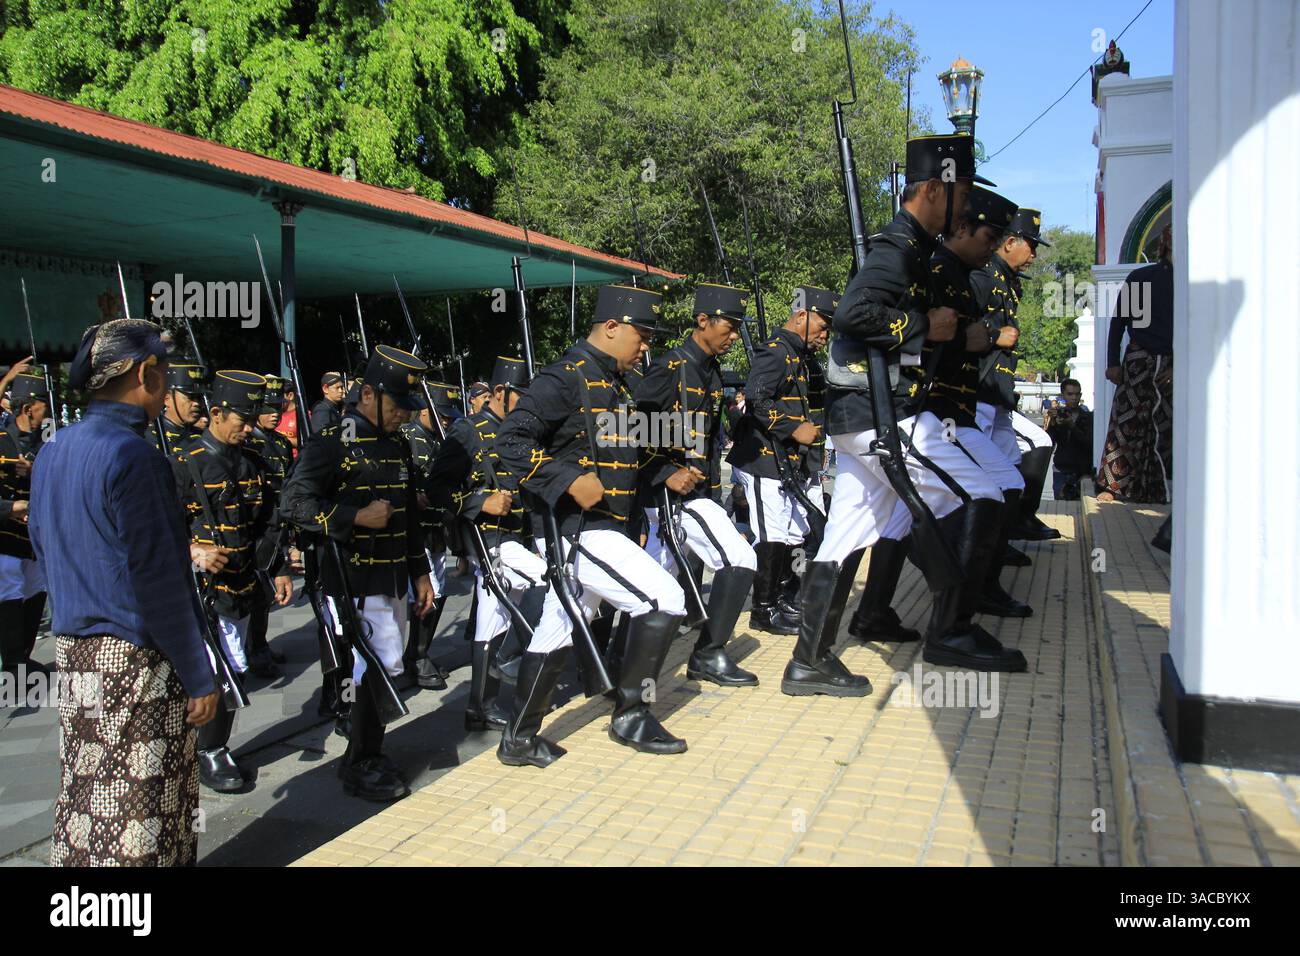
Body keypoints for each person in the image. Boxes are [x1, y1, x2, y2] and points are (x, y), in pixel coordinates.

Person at [803, 132, 1024, 695]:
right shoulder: (898, 246)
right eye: (963, 190)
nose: (968, 203)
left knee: (849, 534)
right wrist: (927, 327)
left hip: (867, 418)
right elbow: (856, 314)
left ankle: (808, 660)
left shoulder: (913, 248)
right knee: (982, 493)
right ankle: (952, 630)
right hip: (881, 418)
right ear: (934, 188)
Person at [29, 318, 217, 866]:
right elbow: (159, 580)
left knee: (86, 795)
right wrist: (197, 672)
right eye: (163, 370)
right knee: (144, 807)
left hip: (74, 653)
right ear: (145, 373)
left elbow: (43, 545)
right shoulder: (137, 458)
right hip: (136, 658)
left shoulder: (54, 450)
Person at [496, 285, 689, 765]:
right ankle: (632, 716)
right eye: (641, 334)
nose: (646, 345)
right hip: (577, 528)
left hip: (605, 526)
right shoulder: (564, 377)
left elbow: (630, 455)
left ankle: (518, 738)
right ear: (611, 327)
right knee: (665, 599)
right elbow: (510, 442)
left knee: (561, 626)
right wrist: (566, 478)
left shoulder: (616, 383)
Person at [280, 345, 436, 801]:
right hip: (350, 576)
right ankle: (361, 760)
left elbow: (406, 515)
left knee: (385, 661)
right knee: (381, 661)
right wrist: (352, 517)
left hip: (391, 577)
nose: (404, 417)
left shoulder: (399, 444)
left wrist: (420, 571)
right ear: (368, 394)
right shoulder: (330, 441)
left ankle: (366, 751)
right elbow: (294, 503)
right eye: (397, 406)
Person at [172, 371, 294, 791]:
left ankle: (209, 743)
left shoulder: (253, 464)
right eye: (242, 418)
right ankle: (208, 750)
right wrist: (192, 551)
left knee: (234, 668)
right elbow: (156, 526)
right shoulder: (182, 462)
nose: (248, 426)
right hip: (199, 592)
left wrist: (275, 568)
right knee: (214, 671)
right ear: (217, 412)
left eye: (252, 418)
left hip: (243, 586)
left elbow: (268, 522)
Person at [636, 283, 760, 687]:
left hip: (697, 494)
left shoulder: (710, 370)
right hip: (670, 497)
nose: (734, 335)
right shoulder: (670, 367)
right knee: (739, 559)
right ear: (703, 321)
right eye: (730, 325)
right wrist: (663, 472)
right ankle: (706, 656)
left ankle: (622, 668)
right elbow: (623, 430)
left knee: (651, 591)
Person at [431, 357, 547, 729]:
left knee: (491, 620)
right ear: (500, 392)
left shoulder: (524, 429)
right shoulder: (468, 430)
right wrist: (479, 503)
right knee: (544, 581)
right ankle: (509, 660)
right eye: (523, 394)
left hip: (520, 535)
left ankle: (479, 705)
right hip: (491, 540)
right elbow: (437, 486)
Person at [727, 286, 835, 636]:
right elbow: (757, 401)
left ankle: (783, 599)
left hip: (788, 463)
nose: (825, 334)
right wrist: (794, 429)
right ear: (802, 316)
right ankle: (762, 608)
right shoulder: (776, 353)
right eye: (822, 324)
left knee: (794, 533)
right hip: (762, 459)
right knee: (771, 534)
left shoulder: (801, 356)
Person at [970, 209, 1061, 546]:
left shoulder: (1007, 283)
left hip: (999, 395)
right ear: (1009, 242)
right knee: (984, 475)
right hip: (980, 390)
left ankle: (1002, 539)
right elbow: (959, 327)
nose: (1034, 255)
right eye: (1031, 246)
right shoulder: (983, 277)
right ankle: (980, 549)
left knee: (1013, 468)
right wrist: (995, 335)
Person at [1097, 225, 1174, 504]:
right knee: (1125, 424)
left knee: (1165, 427)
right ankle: (1113, 487)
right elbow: (1118, 323)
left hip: (1172, 365)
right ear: (1166, 244)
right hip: (1138, 362)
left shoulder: (1190, 282)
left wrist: (1179, 366)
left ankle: (1159, 490)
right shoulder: (1142, 277)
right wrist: (1112, 362)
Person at [398, 382, 460, 691]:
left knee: (438, 589)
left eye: (449, 417)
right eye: (441, 415)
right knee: (424, 594)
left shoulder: (438, 439)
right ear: (424, 411)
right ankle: (416, 658)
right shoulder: (410, 437)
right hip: (416, 529)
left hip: (436, 528)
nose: (446, 421)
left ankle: (418, 654)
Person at [244, 375, 297, 677]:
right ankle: (252, 650)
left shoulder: (278, 442)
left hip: (276, 527)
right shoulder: (249, 442)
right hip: (255, 527)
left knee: (265, 595)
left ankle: (259, 644)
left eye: (277, 405)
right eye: (267, 406)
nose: (274, 412)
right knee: (255, 593)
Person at [0, 373, 51, 679]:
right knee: (9, 587)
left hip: (33, 539)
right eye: (43, 404)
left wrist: (36, 472)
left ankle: (23, 657)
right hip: (4, 537)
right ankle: (13, 664)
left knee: (37, 588)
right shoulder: (2, 442)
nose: (47, 411)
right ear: (29, 408)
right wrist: (11, 508)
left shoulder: (47, 444)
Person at [1045, 378, 1093, 501]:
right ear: (1063, 396)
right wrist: (1053, 423)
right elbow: (1050, 442)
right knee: (1060, 508)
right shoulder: (1059, 415)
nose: (1074, 398)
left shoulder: (1088, 417)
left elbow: (1088, 443)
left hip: (1082, 472)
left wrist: (1072, 426)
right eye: (1070, 394)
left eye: (1077, 394)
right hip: (1061, 470)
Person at [152, 359, 208, 460]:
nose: (196, 403)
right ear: (166, 399)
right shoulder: (150, 437)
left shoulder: (205, 438)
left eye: (199, 398)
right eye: (190, 397)